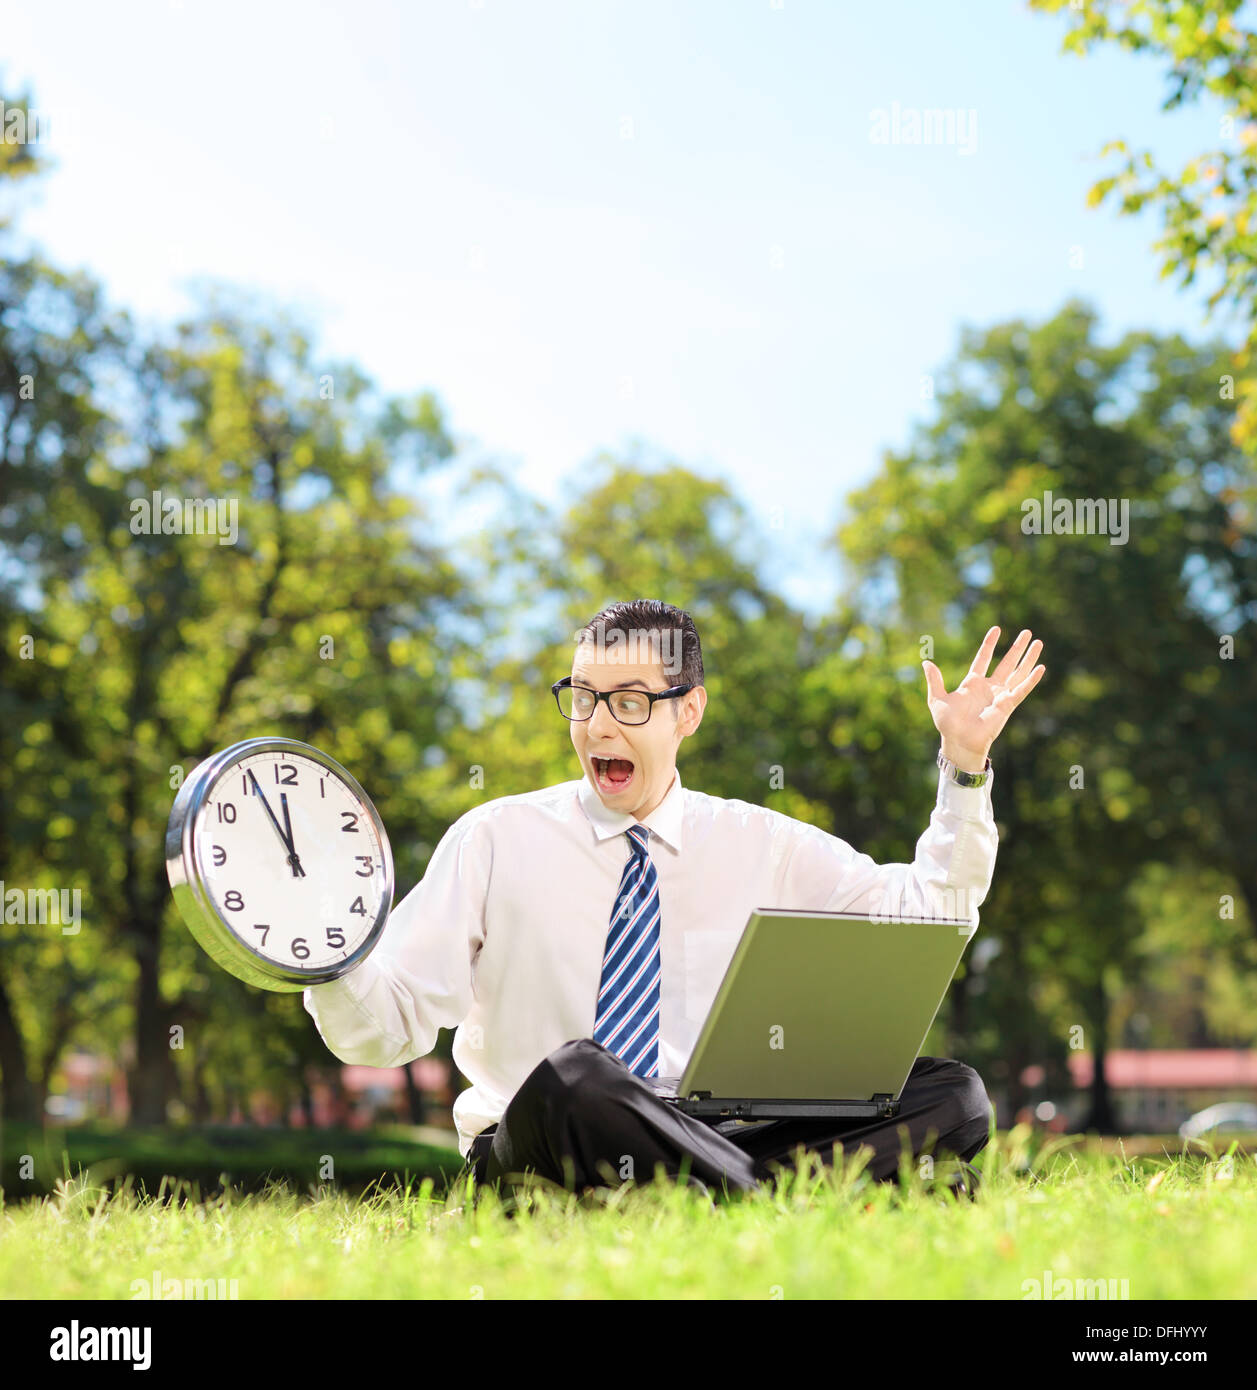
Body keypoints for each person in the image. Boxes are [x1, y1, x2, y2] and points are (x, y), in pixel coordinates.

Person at [303, 599, 1045, 1202]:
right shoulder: (494, 837)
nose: (596, 725)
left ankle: (721, 1193)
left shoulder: (764, 843)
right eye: (583, 698)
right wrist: (329, 954)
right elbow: (383, 1030)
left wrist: (965, 767)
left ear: (687, 712)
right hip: (550, 1139)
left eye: (627, 702)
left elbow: (929, 915)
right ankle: (774, 1201)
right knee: (576, 1076)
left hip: (719, 1133)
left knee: (953, 1094)